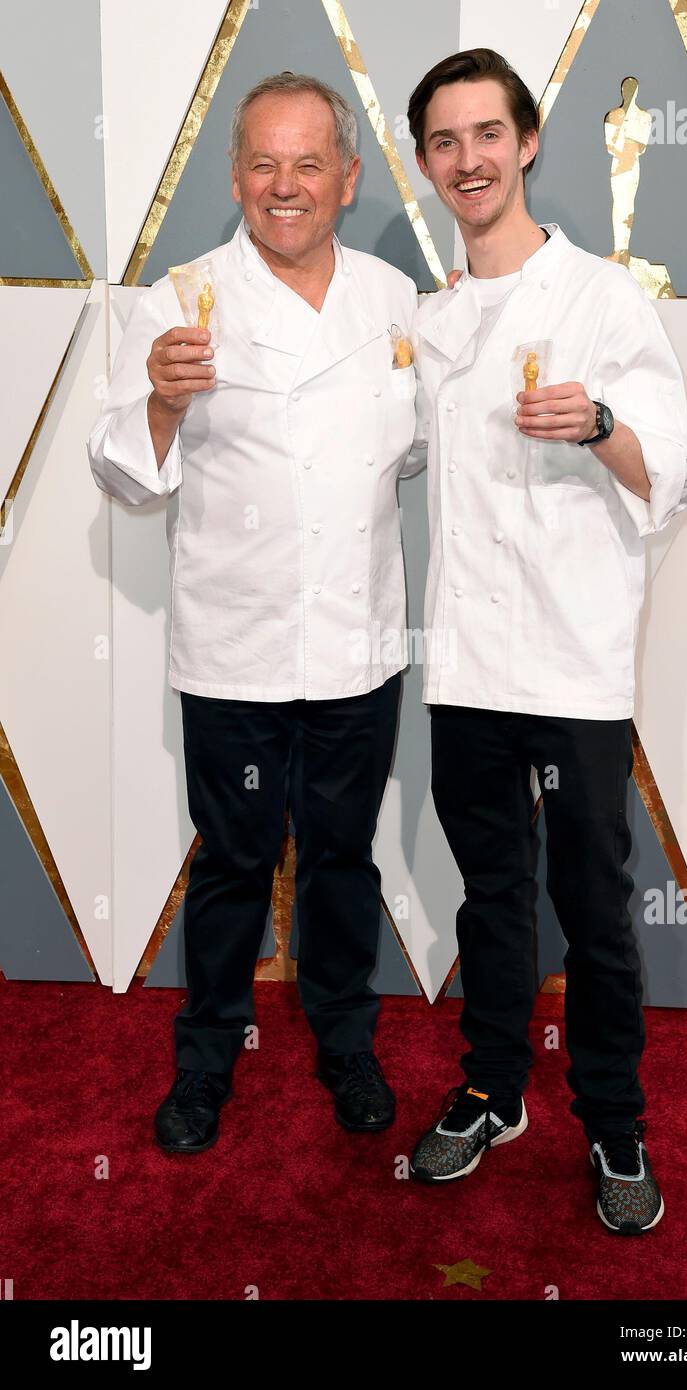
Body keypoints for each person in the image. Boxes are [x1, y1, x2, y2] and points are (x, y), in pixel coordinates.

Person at [88, 72, 421, 1153]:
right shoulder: (182, 297)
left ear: (346, 177)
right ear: (234, 174)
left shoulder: (390, 299)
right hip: (231, 650)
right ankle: (204, 1058)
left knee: (342, 858)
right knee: (231, 861)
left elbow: (415, 448)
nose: (286, 186)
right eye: (264, 163)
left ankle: (344, 1041)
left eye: (308, 162)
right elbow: (123, 471)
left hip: (357, 643)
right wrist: (160, 399)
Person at [403, 48, 687, 1232]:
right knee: (488, 898)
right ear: (425, 164)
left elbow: (669, 472)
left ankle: (614, 1117)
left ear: (525, 144)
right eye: (442, 141)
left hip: (574, 663)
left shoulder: (604, 298)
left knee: (592, 905)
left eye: (486, 134)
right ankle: (490, 1090)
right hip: (467, 666)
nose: (466, 159)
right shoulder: (426, 323)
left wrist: (600, 420)